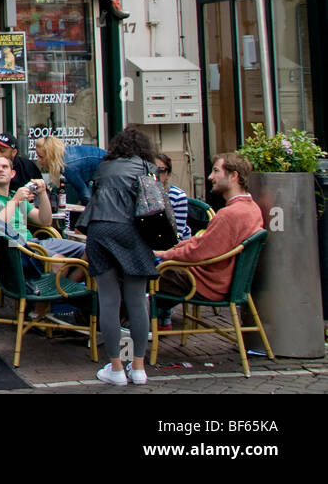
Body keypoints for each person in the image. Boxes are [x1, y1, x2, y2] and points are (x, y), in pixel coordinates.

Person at [81, 128, 158, 386]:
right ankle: (139, 368)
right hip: (132, 231)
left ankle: (115, 369)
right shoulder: (147, 168)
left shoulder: (104, 167)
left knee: (109, 301)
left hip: (100, 229)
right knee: (137, 300)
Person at [153, 153, 263, 322]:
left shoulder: (229, 214)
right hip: (226, 282)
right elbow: (203, 243)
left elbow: (199, 251)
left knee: (145, 274)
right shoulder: (252, 208)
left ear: (233, 176)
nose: (210, 177)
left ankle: (130, 327)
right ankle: (151, 320)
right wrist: (174, 249)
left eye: (216, 171)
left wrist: (165, 254)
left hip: (209, 284)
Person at [155, 153, 192, 242]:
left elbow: (177, 234)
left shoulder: (178, 196)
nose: (155, 174)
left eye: (161, 170)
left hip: (175, 243)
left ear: (168, 174)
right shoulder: (140, 194)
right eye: (151, 169)